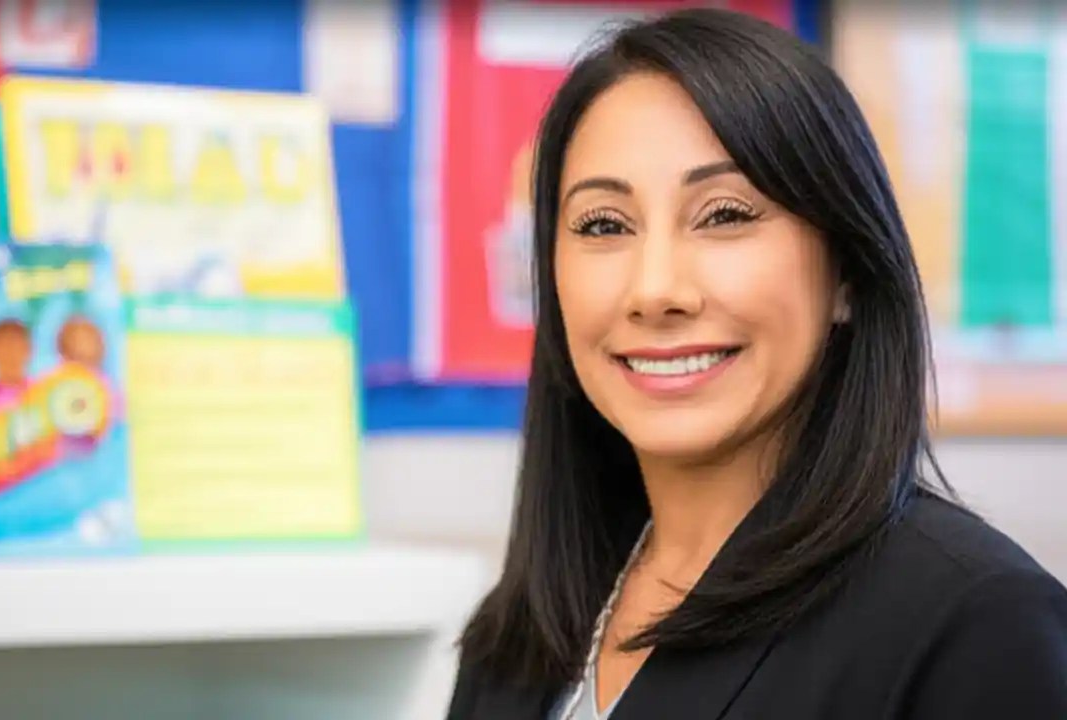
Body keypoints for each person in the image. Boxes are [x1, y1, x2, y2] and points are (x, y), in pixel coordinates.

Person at [446, 9, 1067, 720]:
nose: (656, 292)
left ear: (846, 272)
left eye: (725, 215)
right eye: (604, 225)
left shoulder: (977, 625)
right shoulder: (521, 628)